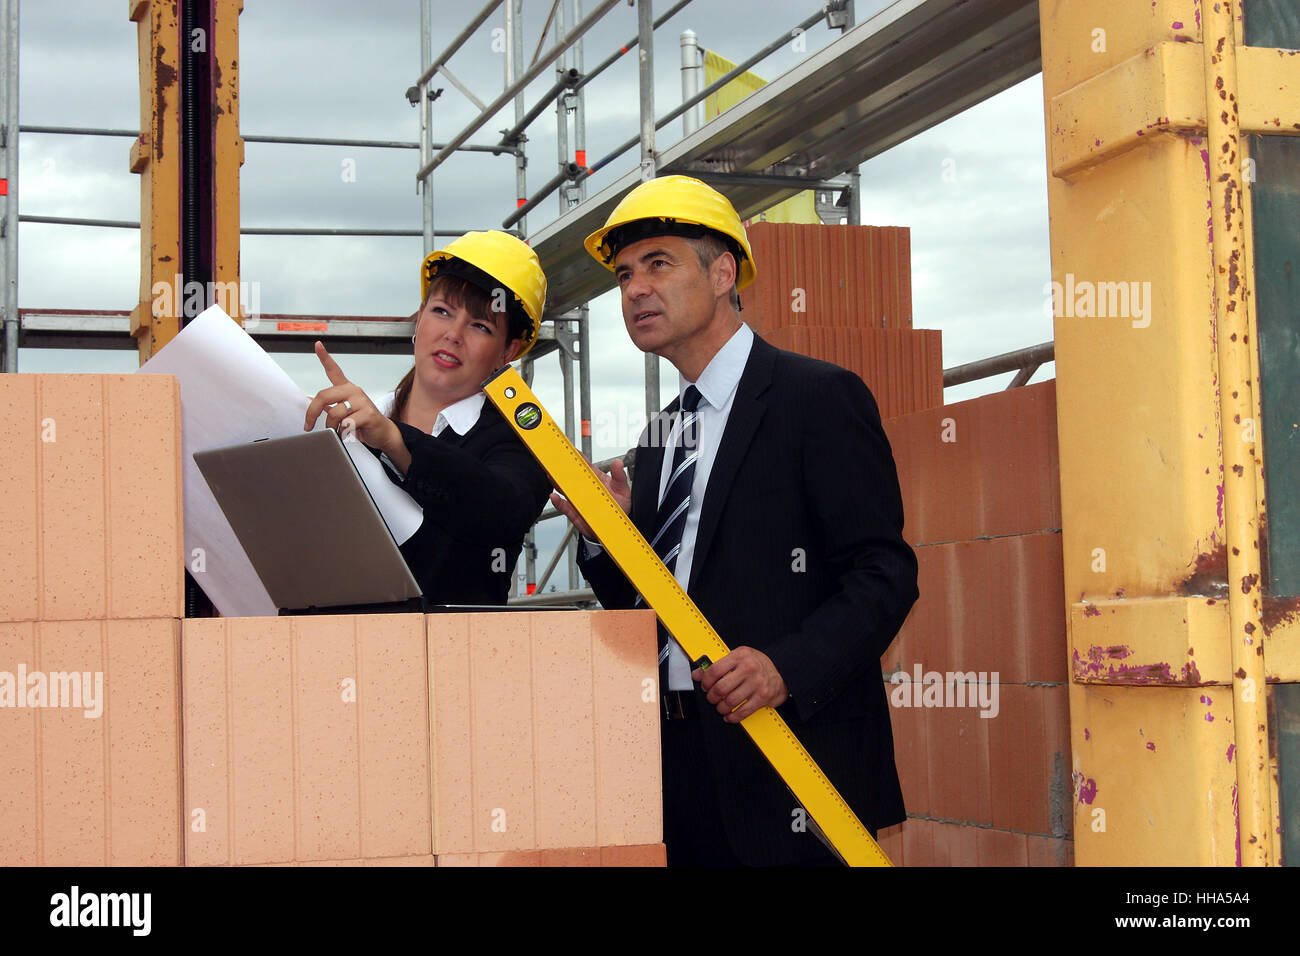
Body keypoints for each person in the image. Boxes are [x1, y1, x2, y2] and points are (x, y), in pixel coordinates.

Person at [551, 175, 919, 866]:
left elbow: (885, 574)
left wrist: (786, 666)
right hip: (678, 762)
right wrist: (608, 541)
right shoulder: (660, 440)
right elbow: (648, 612)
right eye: (625, 274)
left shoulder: (817, 399)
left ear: (723, 272)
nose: (634, 290)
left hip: (791, 764)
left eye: (658, 264)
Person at [304, 230, 552, 606]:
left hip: (448, 659)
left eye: (480, 326)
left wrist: (393, 440)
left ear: (508, 352)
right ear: (418, 320)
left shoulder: (522, 446)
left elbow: (499, 510)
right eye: (442, 312)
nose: (453, 335)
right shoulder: (350, 425)